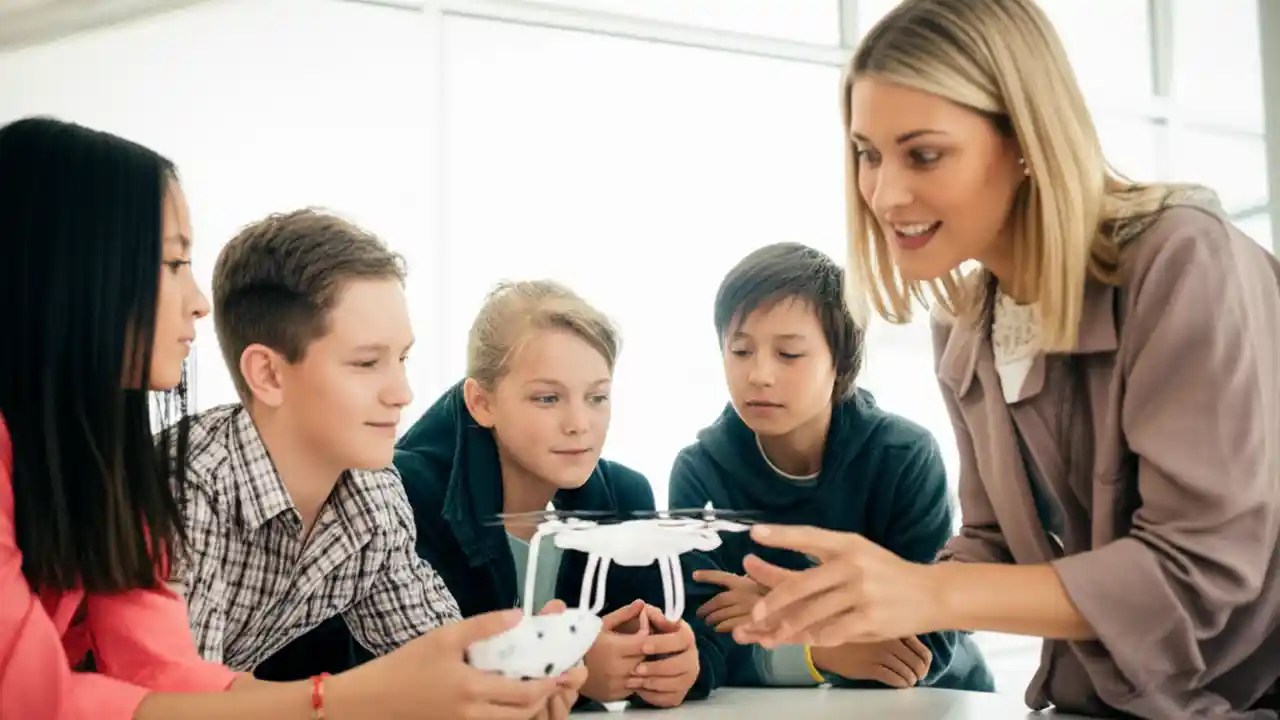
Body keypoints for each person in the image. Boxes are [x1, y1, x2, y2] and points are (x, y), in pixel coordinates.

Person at [732, 2, 1280, 718]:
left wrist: (930, 594)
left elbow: (1200, 568)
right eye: (868, 153)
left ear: (1024, 139)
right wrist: (860, 599)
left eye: (923, 154)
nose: (884, 194)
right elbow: (996, 546)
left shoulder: (1182, 262)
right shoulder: (966, 324)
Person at [0, 116, 575, 720]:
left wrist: (506, 676)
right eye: (173, 263)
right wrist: (351, 700)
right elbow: (41, 701)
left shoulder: (99, 468)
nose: (198, 301)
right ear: (66, 269)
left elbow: (163, 674)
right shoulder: (189, 483)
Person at [670, 243, 992, 693]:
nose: (759, 374)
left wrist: (776, 609)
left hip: (940, 701)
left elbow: (923, 647)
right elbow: (704, 641)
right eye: (741, 351)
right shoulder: (700, 470)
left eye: (789, 354)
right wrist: (821, 649)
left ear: (840, 362)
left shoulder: (903, 456)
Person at [395, 280, 706, 708]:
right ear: (482, 403)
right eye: (548, 398)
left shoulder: (623, 496)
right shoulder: (405, 496)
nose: (580, 423)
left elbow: (702, 626)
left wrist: (680, 663)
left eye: (597, 396)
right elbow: (394, 669)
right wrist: (565, 668)